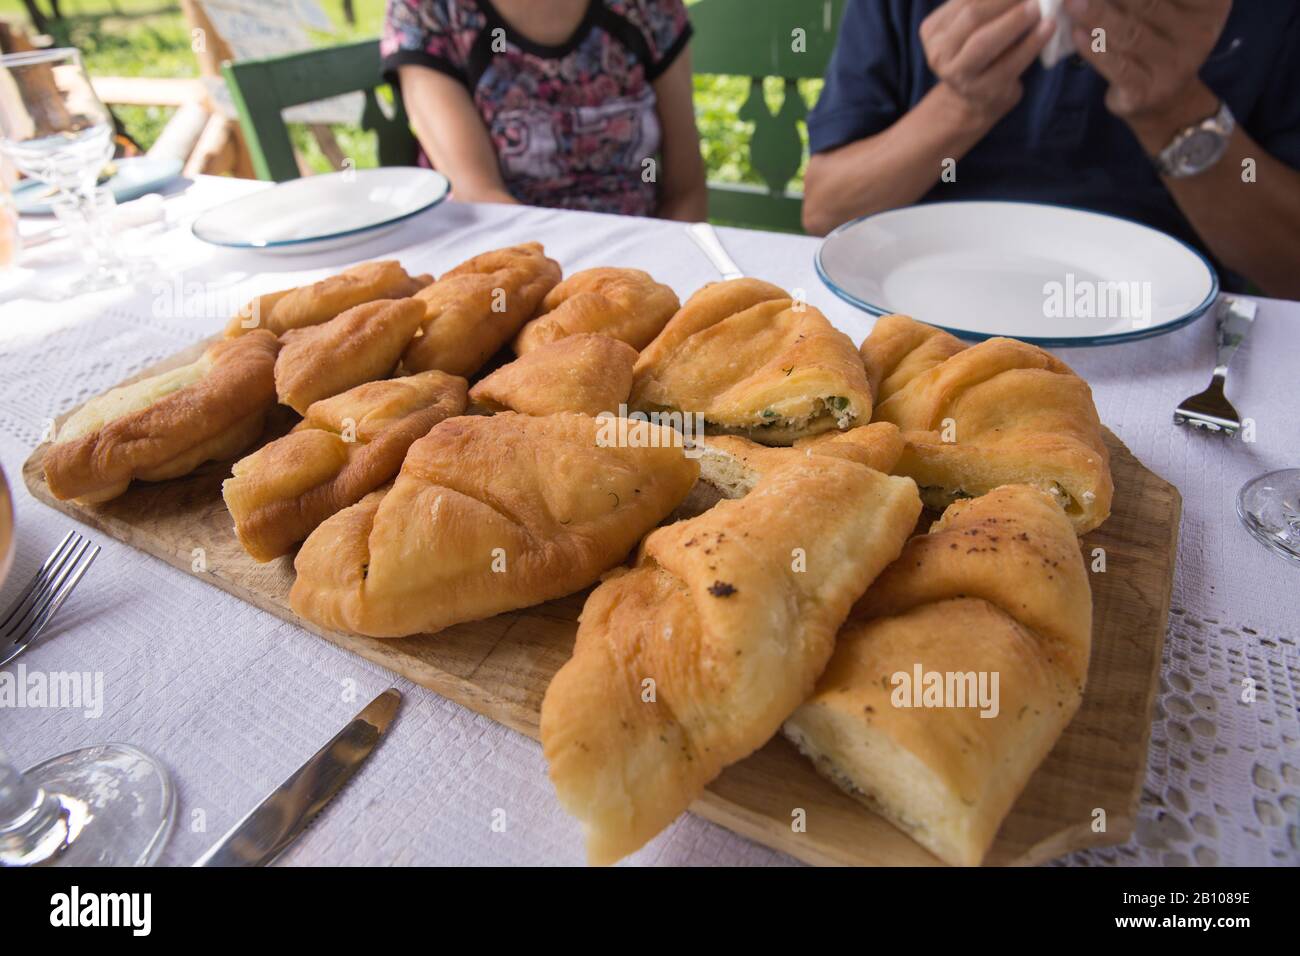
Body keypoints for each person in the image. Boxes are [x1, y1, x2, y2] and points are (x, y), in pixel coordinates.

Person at [801, 0, 1300, 297]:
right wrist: (963, 103)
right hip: (922, 311)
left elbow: (1290, 268)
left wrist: (1173, 109)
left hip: (1172, 335)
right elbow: (828, 208)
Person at [381, 0, 706, 220]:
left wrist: (660, 281)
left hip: (643, 265)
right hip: (515, 267)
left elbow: (686, 191)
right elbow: (479, 195)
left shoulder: (646, 7)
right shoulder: (429, 10)